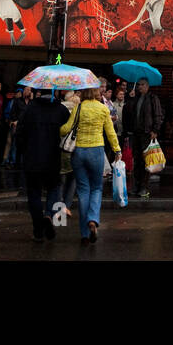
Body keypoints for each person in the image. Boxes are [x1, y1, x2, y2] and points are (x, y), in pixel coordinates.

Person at [60, 86, 121, 244]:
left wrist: (55, 128)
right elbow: (110, 132)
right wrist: (117, 150)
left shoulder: (78, 107)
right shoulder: (103, 109)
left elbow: (66, 129)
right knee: (96, 188)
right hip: (96, 151)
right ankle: (93, 219)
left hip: (79, 152)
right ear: (97, 93)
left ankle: (85, 234)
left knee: (83, 190)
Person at [17, 87, 70, 241]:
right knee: (54, 188)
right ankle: (49, 214)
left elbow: (19, 133)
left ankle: (38, 229)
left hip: (32, 158)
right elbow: (68, 131)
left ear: (38, 92)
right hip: (53, 158)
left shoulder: (29, 109)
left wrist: (23, 152)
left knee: (34, 193)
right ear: (54, 92)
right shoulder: (61, 110)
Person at [122, 77, 163, 199]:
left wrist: (155, 130)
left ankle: (144, 187)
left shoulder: (152, 98)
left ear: (147, 86)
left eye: (142, 85)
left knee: (146, 161)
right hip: (137, 133)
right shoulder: (136, 98)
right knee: (137, 160)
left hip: (147, 133)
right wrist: (130, 98)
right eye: (138, 85)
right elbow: (128, 111)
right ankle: (136, 186)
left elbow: (158, 115)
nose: (139, 87)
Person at [3, 85, 29, 167]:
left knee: (19, 145)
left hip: (24, 126)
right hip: (15, 124)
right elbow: (12, 112)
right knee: (11, 143)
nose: (19, 94)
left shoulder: (31, 102)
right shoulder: (16, 101)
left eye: (29, 90)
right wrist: (13, 121)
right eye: (26, 90)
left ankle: (17, 161)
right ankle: (8, 161)